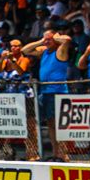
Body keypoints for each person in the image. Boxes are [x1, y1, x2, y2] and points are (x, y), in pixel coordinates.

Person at [22, 30, 72, 161]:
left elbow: (67, 40)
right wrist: (41, 41)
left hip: (57, 92)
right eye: (45, 39)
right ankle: (56, 153)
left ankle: (63, 154)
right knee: (50, 124)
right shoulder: (44, 52)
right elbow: (25, 50)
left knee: (58, 124)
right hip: (45, 92)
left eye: (49, 39)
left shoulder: (60, 51)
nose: (46, 41)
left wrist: (55, 37)